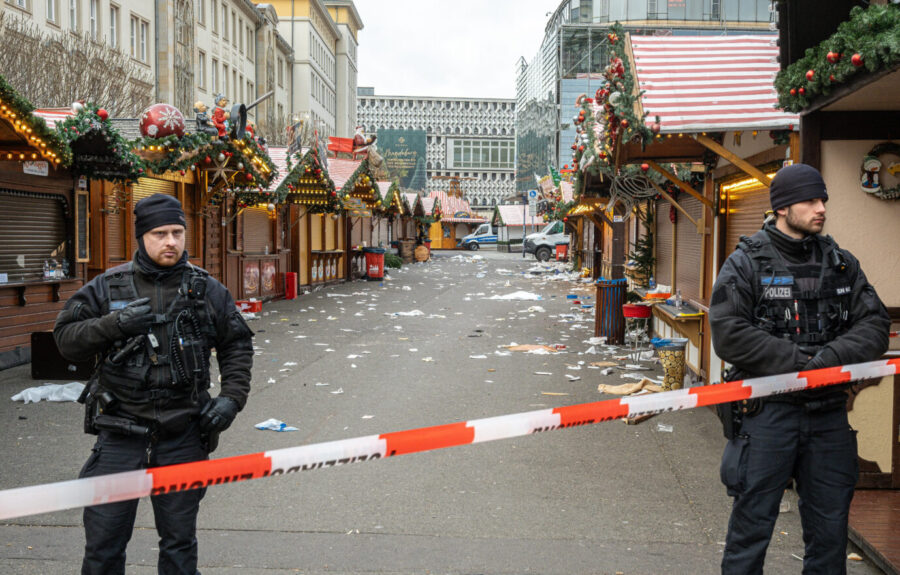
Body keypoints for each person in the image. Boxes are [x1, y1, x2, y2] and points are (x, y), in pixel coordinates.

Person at [54, 193, 254, 575]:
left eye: (177, 232)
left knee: (179, 547)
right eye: (160, 233)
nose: (171, 242)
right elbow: (64, 339)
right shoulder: (106, 288)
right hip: (119, 435)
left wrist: (232, 399)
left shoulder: (208, 290)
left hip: (183, 435)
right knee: (103, 547)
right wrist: (113, 325)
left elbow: (237, 345)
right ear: (141, 236)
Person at [709, 163, 890, 574]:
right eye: (811, 200)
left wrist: (828, 361)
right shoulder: (745, 263)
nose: (821, 208)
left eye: (823, 199)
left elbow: (875, 324)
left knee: (829, 535)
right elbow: (729, 333)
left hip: (828, 417)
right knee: (750, 532)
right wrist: (798, 363)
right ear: (783, 207)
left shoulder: (841, 263)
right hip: (768, 417)